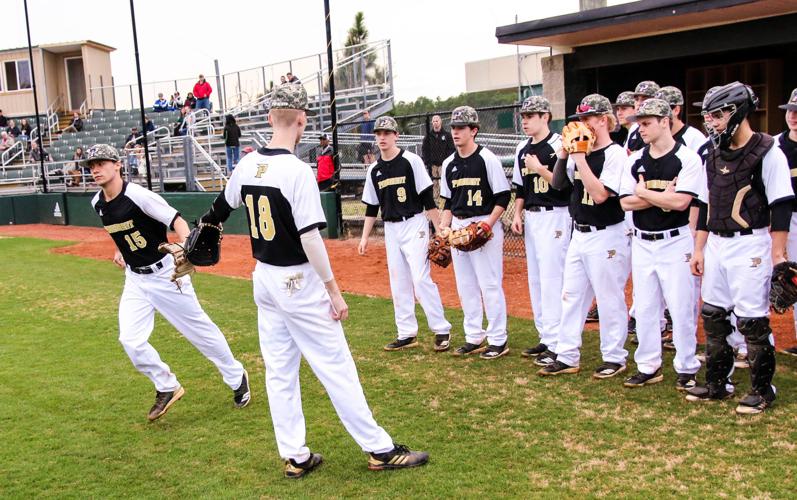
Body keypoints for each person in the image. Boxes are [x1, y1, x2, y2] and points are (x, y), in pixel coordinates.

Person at [197, 83, 428, 477]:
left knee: (279, 370)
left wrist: (192, 244)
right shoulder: (297, 171)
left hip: (264, 279)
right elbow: (309, 237)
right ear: (302, 121)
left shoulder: (247, 163)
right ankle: (379, 449)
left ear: (270, 118)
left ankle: (295, 455)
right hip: (298, 282)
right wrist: (333, 291)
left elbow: (218, 211)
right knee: (335, 365)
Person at [85, 143, 250, 421]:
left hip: (166, 275)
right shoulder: (97, 203)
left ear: (117, 165)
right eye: (91, 165)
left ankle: (236, 377)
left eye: (101, 162)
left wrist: (185, 249)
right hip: (136, 280)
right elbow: (120, 231)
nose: (95, 169)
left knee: (200, 332)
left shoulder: (139, 196)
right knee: (130, 340)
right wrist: (119, 249)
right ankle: (167, 386)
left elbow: (178, 222)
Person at [687, 81, 793, 415]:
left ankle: (763, 390)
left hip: (752, 243)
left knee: (751, 321)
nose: (713, 122)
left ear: (738, 112)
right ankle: (719, 382)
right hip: (717, 243)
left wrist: (779, 257)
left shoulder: (767, 150)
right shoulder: (713, 151)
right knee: (714, 316)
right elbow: (706, 204)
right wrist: (699, 248)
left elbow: (781, 205)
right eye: (710, 116)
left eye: (718, 115)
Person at [539, 94, 631, 378]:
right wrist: (565, 155)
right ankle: (567, 355)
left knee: (609, 298)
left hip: (608, 234)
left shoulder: (615, 154)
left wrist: (579, 158)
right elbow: (557, 186)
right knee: (571, 296)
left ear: (603, 120)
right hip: (579, 234)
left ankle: (614, 357)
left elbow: (601, 195)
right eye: (578, 120)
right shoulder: (579, 151)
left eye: (587, 119)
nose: (580, 125)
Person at [618, 98, 703, 390]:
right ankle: (648, 365)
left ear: (665, 121)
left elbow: (681, 202)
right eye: (639, 123)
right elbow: (626, 202)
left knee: (680, 307)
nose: (640, 128)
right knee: (644, 307)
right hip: (643, 242)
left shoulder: (687, 158)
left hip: (675, 241)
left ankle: (687, 366)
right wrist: (657, 197)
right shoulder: (635, 160)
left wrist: (644, 193)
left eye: (646, 123)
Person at [358, 116, 452, 352]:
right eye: (378, 134)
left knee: (420, 279)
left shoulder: (411, 161)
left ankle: (441, 329)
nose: (382, 137)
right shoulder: (374, 170)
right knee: (399, 281)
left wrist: (438, 227)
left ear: (396, 136)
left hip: (414, 223)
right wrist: (364, 237)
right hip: (391, 227)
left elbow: (426, 197)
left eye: (387, 133)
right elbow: (371, 207)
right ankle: (406, 333)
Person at [439, 106, 511, 359]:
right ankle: (474, 336)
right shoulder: (448, 164)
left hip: (483, 225)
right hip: (459, 226)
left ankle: (498, 339)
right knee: (466, 286)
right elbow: (448, 202)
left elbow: (503, 196)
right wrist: (443, 228)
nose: (456, 132)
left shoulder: (487, 159)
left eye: (461, 127)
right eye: (454, 127)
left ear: (474, 130)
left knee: (489, 284)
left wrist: (488, 224)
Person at [510, 96, 571, 364]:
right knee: (536, 278)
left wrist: (540, 169)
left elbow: (564, 184)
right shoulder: (522, 147)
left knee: (552, 278)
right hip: (533, 217)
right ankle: (546, 336)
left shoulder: (560, 144)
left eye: (531, 115)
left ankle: (558, 341)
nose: (525, 120)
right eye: (523, 116)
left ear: (546, 116)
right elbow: (520, 187)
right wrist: (517, 213)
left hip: (556, 214)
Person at [777, 88, 797, 357]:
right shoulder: (776, 145)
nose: (793, 116)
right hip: (787, 220)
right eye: (791, 110)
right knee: (791, 279)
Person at [655, 86, 706, 152]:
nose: (657, 114)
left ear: (676, 110)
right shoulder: (654, 137)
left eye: (662, 110)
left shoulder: (694, 138)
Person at [421, 114, 455, 201]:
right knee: (434, 183)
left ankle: (445, 199)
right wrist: (427, 162)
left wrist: (447, 161)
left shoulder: (447, 135)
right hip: (432, 165)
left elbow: (451, 149)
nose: (435, 123)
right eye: (434, 121)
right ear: (432, 123)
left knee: (444, 181)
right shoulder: (428, 136)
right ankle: (436, 200)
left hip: (443, 164)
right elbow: (424, 150)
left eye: (437, 121)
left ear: (441, 121)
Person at [625, 81, 660, 153]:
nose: (639, 103)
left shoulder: (664, 128)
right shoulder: (634, 130)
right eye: (636, 99)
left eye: (644, 99)